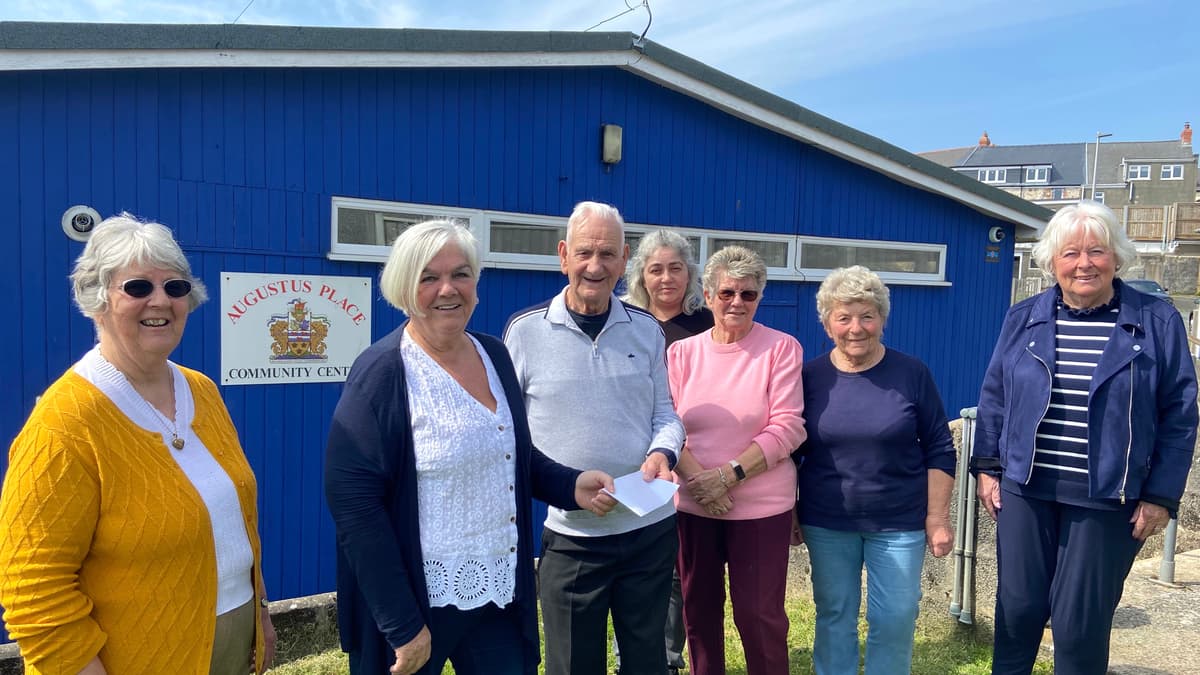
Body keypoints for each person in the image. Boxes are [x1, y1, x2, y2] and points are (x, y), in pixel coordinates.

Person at [323, 220, 617, 675]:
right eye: (429, 277)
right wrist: (401, 624)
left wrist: (570, 485)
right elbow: (354, 506)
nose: (448, 289)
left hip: (498, 590)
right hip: (419, 599)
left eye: (460, 274)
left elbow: (509, 455)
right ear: (404, 287)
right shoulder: (381, 372)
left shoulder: (493, 354)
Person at [0, 214, 275, 674]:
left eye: (175, 287)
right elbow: (32, 590)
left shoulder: (201, 391)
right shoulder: (64, 423)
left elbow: (232, 524)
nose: (160, 300)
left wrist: (259, 612)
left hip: (231, 643)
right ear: (97, 299)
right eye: (138, 287)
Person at [972, 201, 1198, 675]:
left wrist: (1161, 495)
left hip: (1107, 497)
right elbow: (995, 395)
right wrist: (987, 466)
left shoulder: (1157, 321)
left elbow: (1180, 413)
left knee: (1079, 626)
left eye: (1096, 251)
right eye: (1070, 253)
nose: (1084, 264)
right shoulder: (1024, 317)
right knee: (1017, 612)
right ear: (1052, 261)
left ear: (1117, 257)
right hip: (1025, 489)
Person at [504, 201, 686, 675]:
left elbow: (666, 414)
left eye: (607, 254)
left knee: (648, 663)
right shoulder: (524, 333)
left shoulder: (646, 330)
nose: (595, 266)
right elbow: (509, 435)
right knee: (572, 666)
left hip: (649, 530)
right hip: (573, 537)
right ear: (563, 255)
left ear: (624, 260)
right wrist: (563, 484)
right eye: (585, 252)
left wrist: (663, 452)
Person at [796, 265, 955, 675]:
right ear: (827, 324)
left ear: (882, 319)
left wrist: (938, 518)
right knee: (834, 613)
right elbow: (792, 451)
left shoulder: (912, 373)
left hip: (899, 520)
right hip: (827, 520)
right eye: (844, 317)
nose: (856, 328)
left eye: (867, 316)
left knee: (896, 616)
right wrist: (790, 512)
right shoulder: (809, 377)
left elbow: (940, 447)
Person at [666, 245, 806, 675]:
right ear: (708, 295)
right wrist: (700, 483)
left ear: (760, 298)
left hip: (761, 509)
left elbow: (788, 426)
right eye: (727, 292)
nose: (737, 302)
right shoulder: (681, 353)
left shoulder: (781, 349)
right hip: (694, 505)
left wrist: (727, 476)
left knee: (759, 616)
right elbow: (667, 424)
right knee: (698, 611)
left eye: (749, 294)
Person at [617, 229, 714, 674]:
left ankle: (668, 661)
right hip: (636, 462)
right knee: (634, 567)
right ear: (641, 275)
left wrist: (691, 465)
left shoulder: (708, 324)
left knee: (678, 572)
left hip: (695, 466)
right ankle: (630, 659)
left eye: (676, 268)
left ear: (690, 274)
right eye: (655, 269)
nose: (666, 278)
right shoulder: (623, 322)